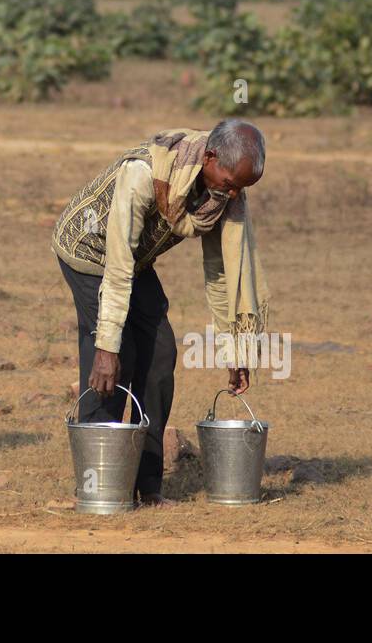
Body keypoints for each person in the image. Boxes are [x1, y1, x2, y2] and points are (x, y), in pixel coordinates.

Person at [52, 119, 271, 506]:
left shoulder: (225, 191)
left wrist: (237, 352)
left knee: (161, 355)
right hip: (88, 252)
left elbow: (226, 274)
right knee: (116, 359)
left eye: (242, 187)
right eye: (231, 182)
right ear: (209, 156)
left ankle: (148, 486)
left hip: (135, 260)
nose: (234, 193)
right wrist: (106, 347)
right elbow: (116, 267)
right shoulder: (144, 174)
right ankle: (97, 490)